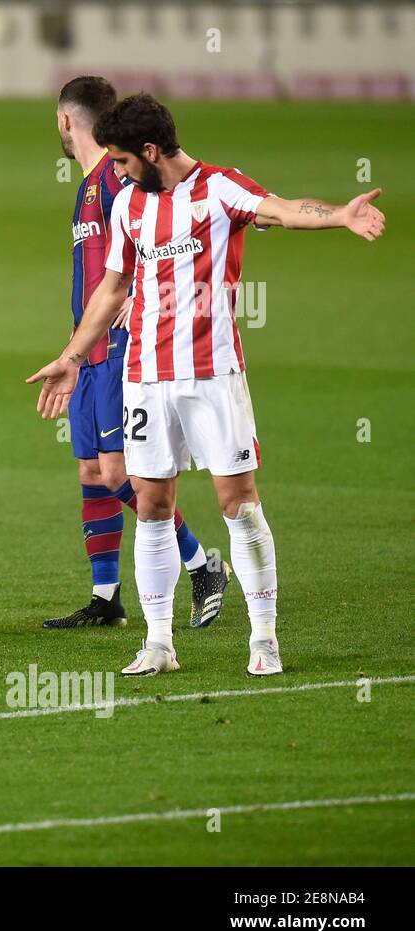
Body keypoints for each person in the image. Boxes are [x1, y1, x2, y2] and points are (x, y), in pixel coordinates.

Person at [27, 94, 385, 676]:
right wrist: (72, 356)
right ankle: (159, 644)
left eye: (120, 162)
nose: (114, 173)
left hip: (212, 375)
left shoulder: (219, 187)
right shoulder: (131, 209)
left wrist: (339, 214)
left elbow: (281, 209)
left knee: (237, 504)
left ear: (149, 151)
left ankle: (264, 638)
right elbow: (113, 287)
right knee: (151, 504)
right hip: (144, 378)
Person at [44, 76, 228, 631]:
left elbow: (153, 243)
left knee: (119, 470)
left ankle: (202, 565)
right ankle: (106, 598)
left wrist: (139, 297)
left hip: (120, 350)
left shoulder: (117, 183)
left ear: (65, 121)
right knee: (91, 471)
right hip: (87, 349)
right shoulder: (90, 184)